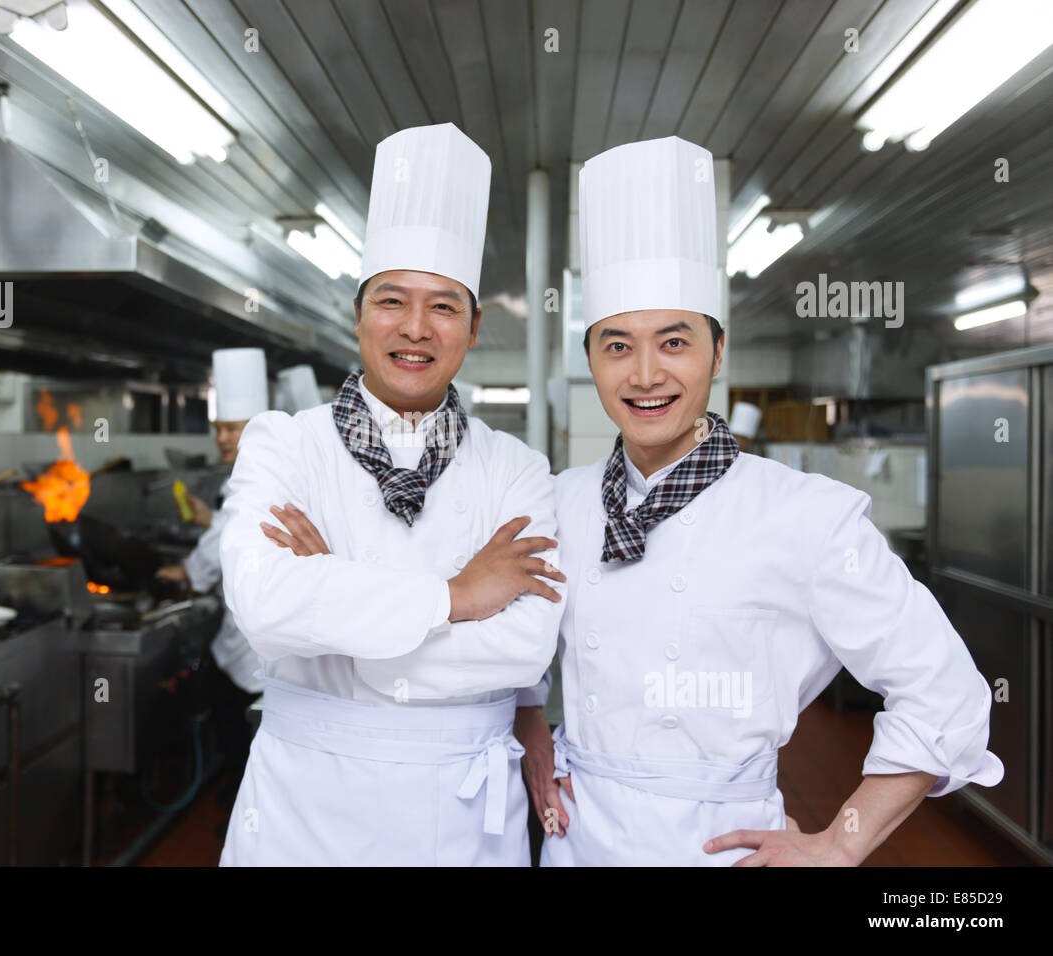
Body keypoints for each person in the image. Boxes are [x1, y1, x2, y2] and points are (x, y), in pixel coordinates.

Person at [514, 135, 1002, 866]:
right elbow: (510, 654)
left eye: (673, 342)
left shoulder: (805, 514)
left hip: (724, 851)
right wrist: (529, 720)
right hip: (578, 843)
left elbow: (947, 694)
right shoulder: (559, 503)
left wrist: (840, 845)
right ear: (590, 360)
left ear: (717, 351)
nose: (645, 374)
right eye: (617, 345)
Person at [216, 123, 565, 866]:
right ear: (357, 316)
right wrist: (458, 596)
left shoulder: (516, 468)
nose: (414, 327)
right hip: (303, 814)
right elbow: (265, 604)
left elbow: (526, 645)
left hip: (464, 821)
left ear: (472, 328)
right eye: (391, 300)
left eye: (443, 306)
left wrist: (342, 613)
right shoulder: (285, 442)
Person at [156, 348, 269, 810]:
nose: (221, 438)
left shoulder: (255, 478)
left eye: (231, 428)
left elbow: (204, 567)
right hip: (249, 647)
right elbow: (233, 532)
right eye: (218, 428)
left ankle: (236, 825)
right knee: (240, 751)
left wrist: (176, 573)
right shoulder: (249, 476)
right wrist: (210, 524)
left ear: (256, 428)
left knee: (241, 750)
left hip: (251, 653)